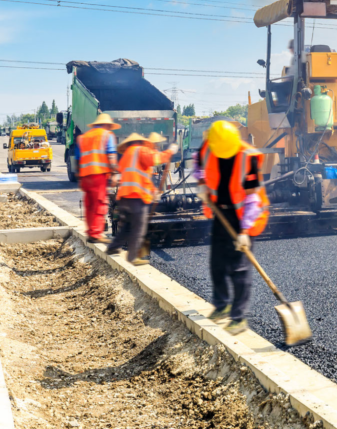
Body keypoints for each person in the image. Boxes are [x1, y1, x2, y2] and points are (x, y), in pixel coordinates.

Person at [195, 121, 270, 335]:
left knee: (239, 267)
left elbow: (253, 199)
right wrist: (201, 183)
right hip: (221, 210)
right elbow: (198, 165)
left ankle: (238, 318)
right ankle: (222, 306)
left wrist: (244, 231)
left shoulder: (248, 157)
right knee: (217, 262)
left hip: (246, 213)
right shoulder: (208, 147)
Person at [108, 133, 178, 265]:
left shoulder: (128, 154)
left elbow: (141, 177)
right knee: (139, 227)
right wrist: (170, 151)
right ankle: (133, 256)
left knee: (127, 225)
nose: (156, 147)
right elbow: (156, 159)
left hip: (125, 196)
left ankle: (113, 247)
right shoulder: (142, 150)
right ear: (147, 143)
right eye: (156, 145)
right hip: (136, 197)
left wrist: (153, 191)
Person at [75, 113, 121, 243]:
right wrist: (114, 174)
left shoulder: (83, 137)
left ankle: (90, 232)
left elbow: (78, 159)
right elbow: (111, 156)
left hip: (84, 176)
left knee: (89, 205)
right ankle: (96, 234)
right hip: (98, 176)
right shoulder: (107, 135)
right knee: (99, 204)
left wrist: (79, 177)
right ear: (107, 125)